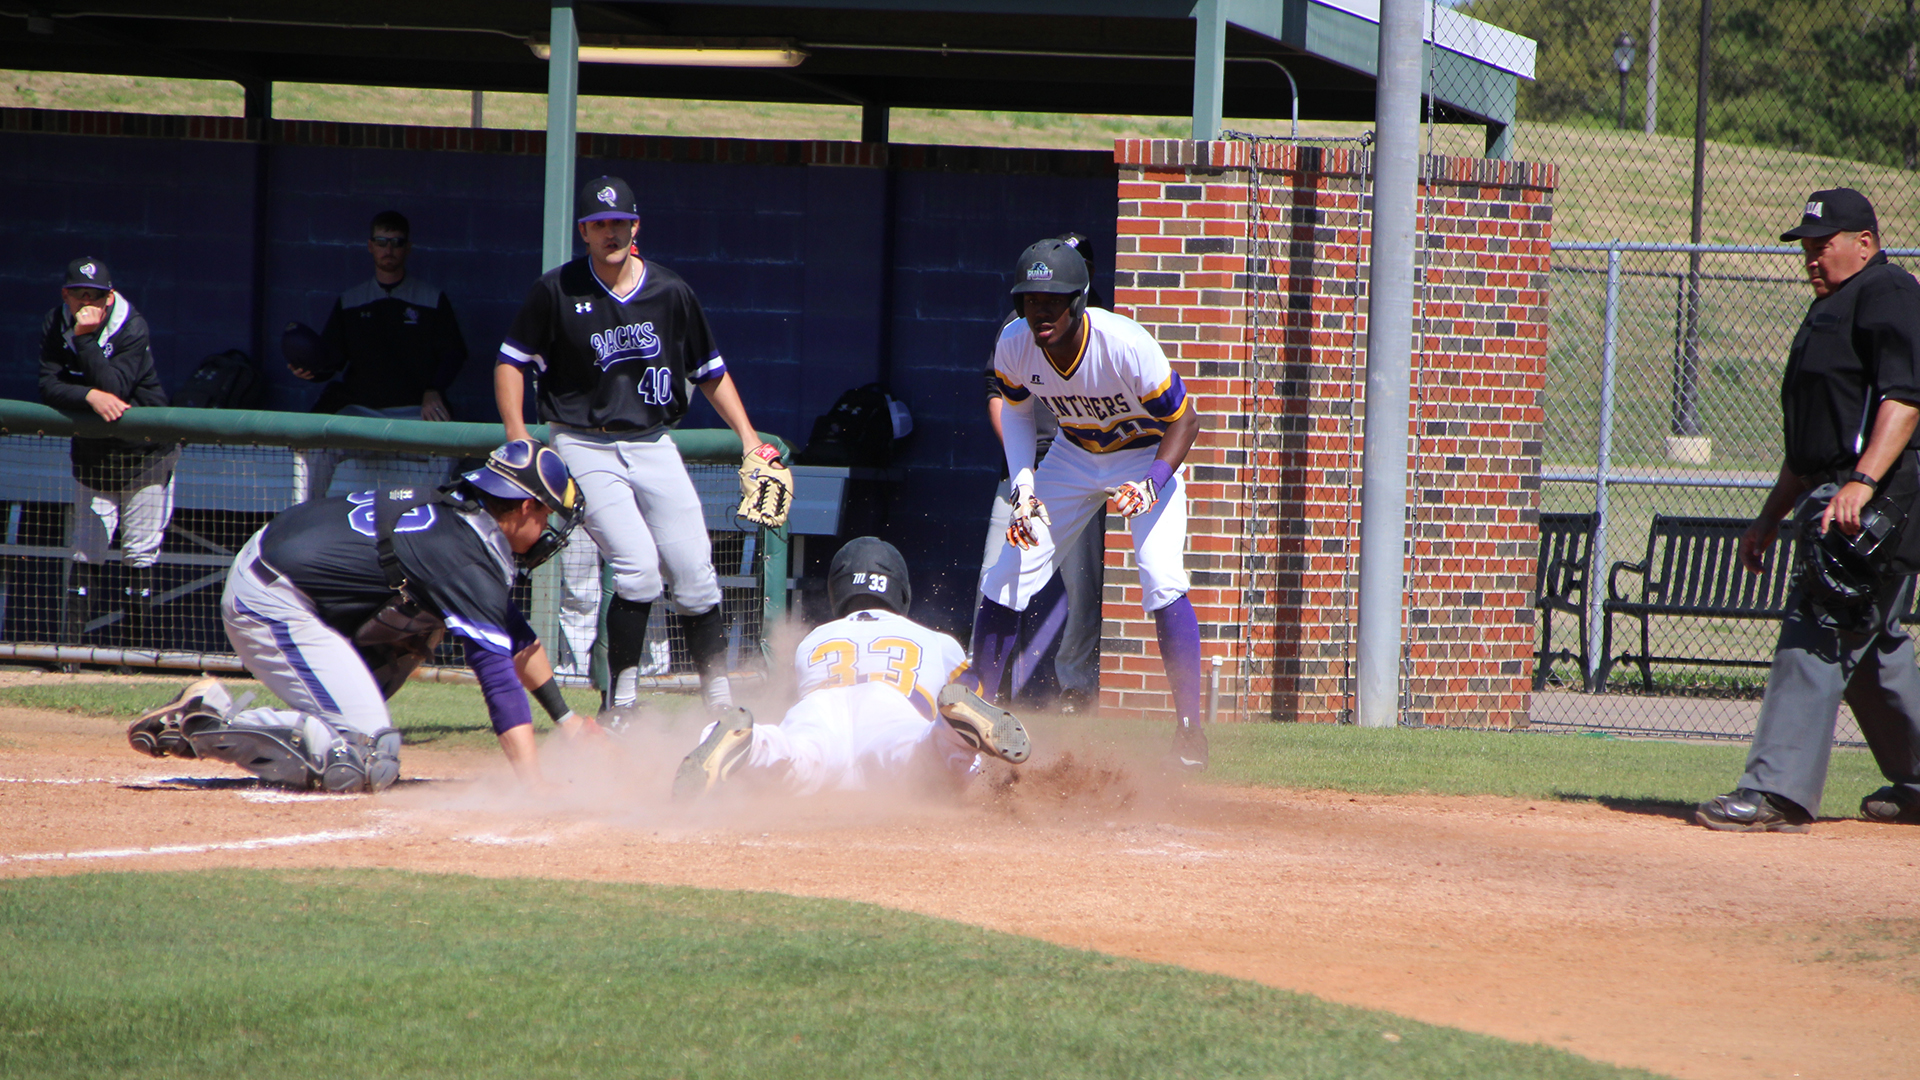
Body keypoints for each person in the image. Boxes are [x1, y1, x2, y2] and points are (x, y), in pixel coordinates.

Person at [125, 440, 597, 792]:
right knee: (366, 758)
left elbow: (510, 632)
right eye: (547, 515)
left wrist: (568, 719)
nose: (548, 532)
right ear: (527, 506)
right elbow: (497, 678)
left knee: (423, 625)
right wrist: (534, 787)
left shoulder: (464, 519)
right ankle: (210, 718)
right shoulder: (462, 554)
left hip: (297, 578)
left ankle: (324, 721)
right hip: (273, 597)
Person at [495, 174, 789, 719]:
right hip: (584, 443)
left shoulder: (670, 291)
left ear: (636, 227)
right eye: (598, 223)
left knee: (697, 573)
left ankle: (718, 701)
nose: (610, 232)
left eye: (619, 222)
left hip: (653, 442)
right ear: (583, 232)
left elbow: (711, 372)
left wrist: (749, 440)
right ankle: (621, 704)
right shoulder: (556, 290)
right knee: (636, 569)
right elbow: (511, 362)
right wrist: (518, 436)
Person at [1697, 188, 1920, 832]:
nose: (1812, 258)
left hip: (1876, 495)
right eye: (1807, 246)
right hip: (1833, 491)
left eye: (1824, 244)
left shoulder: (1889, 292)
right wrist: (1770, 516)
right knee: (1872, 651)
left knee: (1819, 625)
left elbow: (1906, 398)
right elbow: (1811, 442)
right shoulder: (1829, 311)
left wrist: (1862, 482)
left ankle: (1778, 792)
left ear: (1866, 244)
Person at [969, 238, 1206, 770]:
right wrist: (1023, 488)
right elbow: (1018, 411)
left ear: (1079, 300)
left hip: (1145, 453)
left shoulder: (1123, 343)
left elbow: (1185, 420)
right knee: (1008, 570)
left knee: (1159, 574)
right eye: (1031, 300)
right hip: (1075, 454)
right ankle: (979, 710)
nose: (1041, 311)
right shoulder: (1015, 341)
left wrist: (1151, 483)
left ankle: (1190, 731)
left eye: (1053, 300)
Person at [674, 537, 1029, 799]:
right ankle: (950, 732)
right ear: (901, 592)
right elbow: (978, 681)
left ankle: (751, 744)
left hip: (822, 709)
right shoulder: (933, 639)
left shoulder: (813, 640)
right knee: (929, 762)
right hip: (893, 708)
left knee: (795, 757)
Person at [978, 232, 1108, 713]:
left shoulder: (1105, 328)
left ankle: (1076, 687)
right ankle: (987, 689)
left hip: (1080, 470)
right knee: (997, 578)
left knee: (1082, 586)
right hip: (1025, 475)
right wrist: (1023, 475)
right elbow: (1001, 399)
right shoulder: (1020, 329)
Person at [36, 256, 179, 655]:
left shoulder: (131, 325)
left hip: (145, 455)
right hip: (93, 455)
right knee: (86, 551)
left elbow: (115, 385)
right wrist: (88, 395)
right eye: (80, 293)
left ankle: (132, 661)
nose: (88, 302)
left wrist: (85, 341)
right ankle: (69, 659)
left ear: (109, 296)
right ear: (66, 294)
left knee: (138, 553)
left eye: (96, 295)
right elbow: (48, 386)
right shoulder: (55, 322)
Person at [287, 209, 468, 501]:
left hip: (413, 414)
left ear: (407, 248)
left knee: (446, 449)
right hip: (361, 414)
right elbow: (332, 359)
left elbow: (455, 353)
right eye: (382, 242)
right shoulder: (351, 300)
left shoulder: (431, 298)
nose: (389, 249)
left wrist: (434, 390)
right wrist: (309, 370)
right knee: (316, 447)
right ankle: (304, 519)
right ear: (370, 245)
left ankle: (436, 526)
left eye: (397, 242)